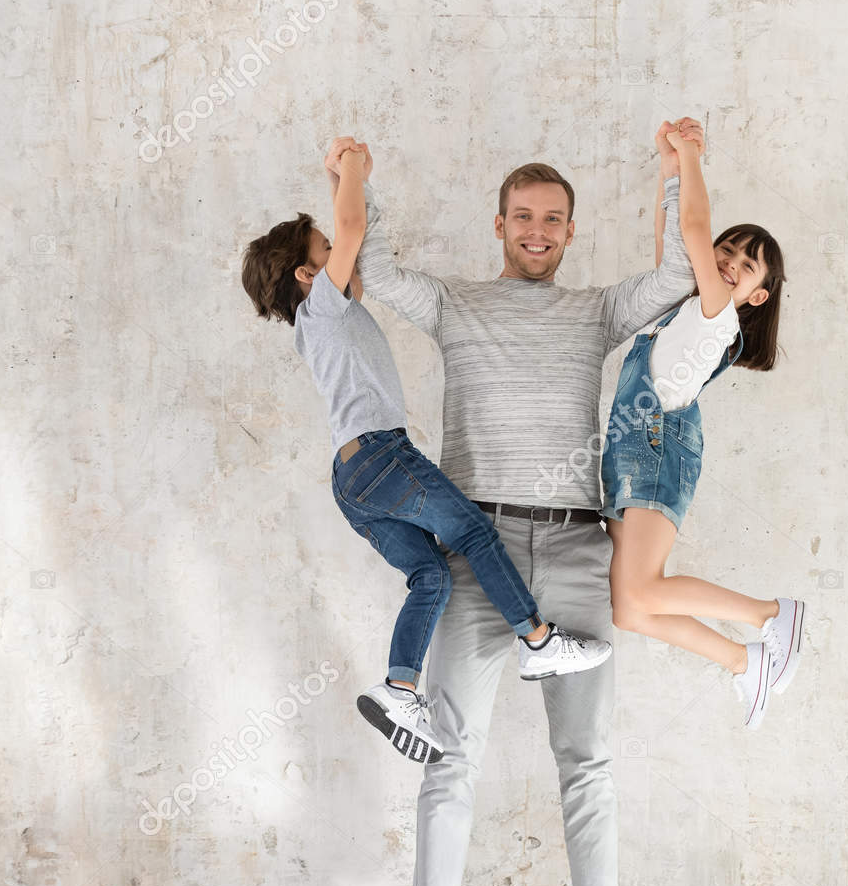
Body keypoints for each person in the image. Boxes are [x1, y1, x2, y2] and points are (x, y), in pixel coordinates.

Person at [350, 118, 707, 886]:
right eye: (521, 217)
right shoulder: (457, 303)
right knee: (448, 755)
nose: (537, 231)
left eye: (552, 218)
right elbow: (376, 271)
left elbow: (680, 277)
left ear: (571, 230)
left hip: (582, 547)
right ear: (499, 224)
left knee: (587, 759)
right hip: (479, 552)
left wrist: (680, 171)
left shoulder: (593, 311)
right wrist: (359, 174)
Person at [240, 141, 613, 766]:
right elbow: (355, 226)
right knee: (471, 531)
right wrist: (355, 170)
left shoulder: (317, 319)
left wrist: (339, 177)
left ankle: (398, 689)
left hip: (352, 479)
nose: (342, 253)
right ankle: (538, 638)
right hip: (384, 458)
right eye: (326, 252)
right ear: (309, 276)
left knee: (430, 575)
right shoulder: (326, 307)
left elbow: (349, 231)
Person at [601, 127, 804, 729]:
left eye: (745, 267)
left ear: (757, 295)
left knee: (640, 592)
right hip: (630, 456)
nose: (728, 263)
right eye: (727, 251)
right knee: (630, 609)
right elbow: (679, 242)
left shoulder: (716, 316)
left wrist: (692, 157)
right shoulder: (683, 308)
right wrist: (669, 169)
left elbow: (692, 232)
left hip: (655, 454)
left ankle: (772, 614)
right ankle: (748, 664)